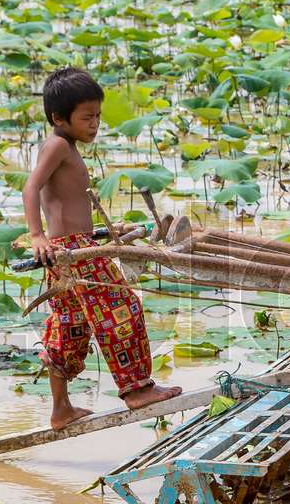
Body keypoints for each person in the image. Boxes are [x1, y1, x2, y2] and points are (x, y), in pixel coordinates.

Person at [22, 67, 180, 429]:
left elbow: (64, 206)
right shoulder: (58, 144)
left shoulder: (67, 146)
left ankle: (61, 409)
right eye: (86, 117)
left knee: (70, 326)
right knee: (122, 310)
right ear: (59, 118)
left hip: (73, 249)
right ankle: (136, 390)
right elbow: (31, 189)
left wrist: (102, 234)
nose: (95, 124)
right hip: (71, 251)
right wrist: (36, 236)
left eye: (97, 116)